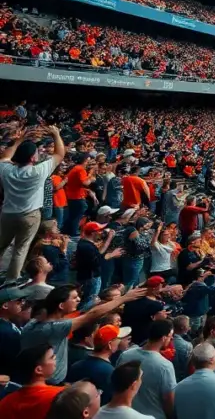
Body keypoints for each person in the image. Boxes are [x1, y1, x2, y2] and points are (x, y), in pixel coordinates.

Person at [22, 285, 145, 384]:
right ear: (61, 305)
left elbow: (90, 313)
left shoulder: (32, 324)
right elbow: (90, 315)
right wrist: (123, 298)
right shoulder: (55, 328)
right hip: (48, 383)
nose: (79, 300)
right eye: (74, 298)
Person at [0, 126, 65, 279]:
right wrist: (56, 133)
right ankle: (11, 280)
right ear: (33, 158)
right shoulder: (38, 171)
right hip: (29, 215)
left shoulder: (6, 169)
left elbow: (4, 156)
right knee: (20, 249)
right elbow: (60, 154)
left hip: (8, 214)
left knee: (1, 246)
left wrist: (20, 139)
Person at [116, 319, 177, 419]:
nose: (171, 339)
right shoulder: (165, 366)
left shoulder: (125, 355)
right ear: (163, 338)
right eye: (170, 336)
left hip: (125, 414)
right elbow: (169, 399)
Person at [66, 325, 131, 406]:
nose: (120, 341)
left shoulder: (76, 365)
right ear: (110, 344)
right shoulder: (110, 373)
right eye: (118, 339)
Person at [0, 344, 64, 419]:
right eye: (52, 357)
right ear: (38, 370)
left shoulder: (6, 403)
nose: (55, 360)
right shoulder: (61, 396)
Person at [0, 285, 31, 376]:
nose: (22, 304)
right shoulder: (6, 332)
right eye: (18, 302)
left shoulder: (9, 323)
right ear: (5, 305)